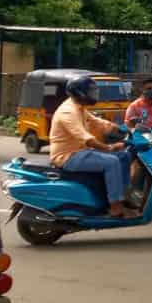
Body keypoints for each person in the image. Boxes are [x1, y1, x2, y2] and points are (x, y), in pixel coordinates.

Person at [49, 75, 135, 217]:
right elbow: (86, 138)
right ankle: (115, 206)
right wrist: (108, 148)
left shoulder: (80, 107)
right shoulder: (68, 111)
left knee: (123, 156)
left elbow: (98, 123)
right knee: (112, 161)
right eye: (90, 92)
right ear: (80, 93)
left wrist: (123, 129)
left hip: (81, 152)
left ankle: (122, 195)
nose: (93, 95)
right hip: (68, 157)